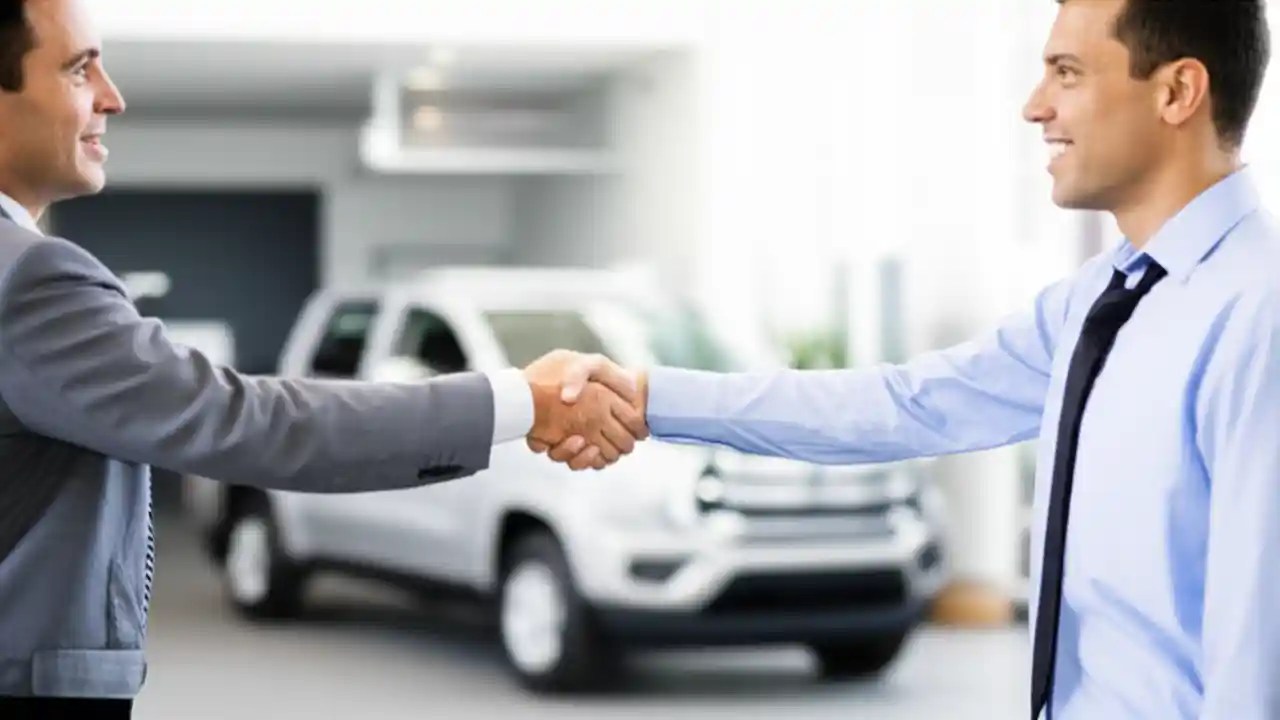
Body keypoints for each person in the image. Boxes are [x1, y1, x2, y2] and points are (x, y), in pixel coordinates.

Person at [540, 1, 1279, 718]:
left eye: (1067, 72)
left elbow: (1259, 655)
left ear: (1178, 91)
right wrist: (648, 395)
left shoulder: (1259, 319)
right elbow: (903, 404)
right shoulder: (1096, 301)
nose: (1035, 106)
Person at [0, 0, 643, 716]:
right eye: (79, 68)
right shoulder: (29, 278)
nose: (112, 97)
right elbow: (243, 421)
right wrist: (522, 399)